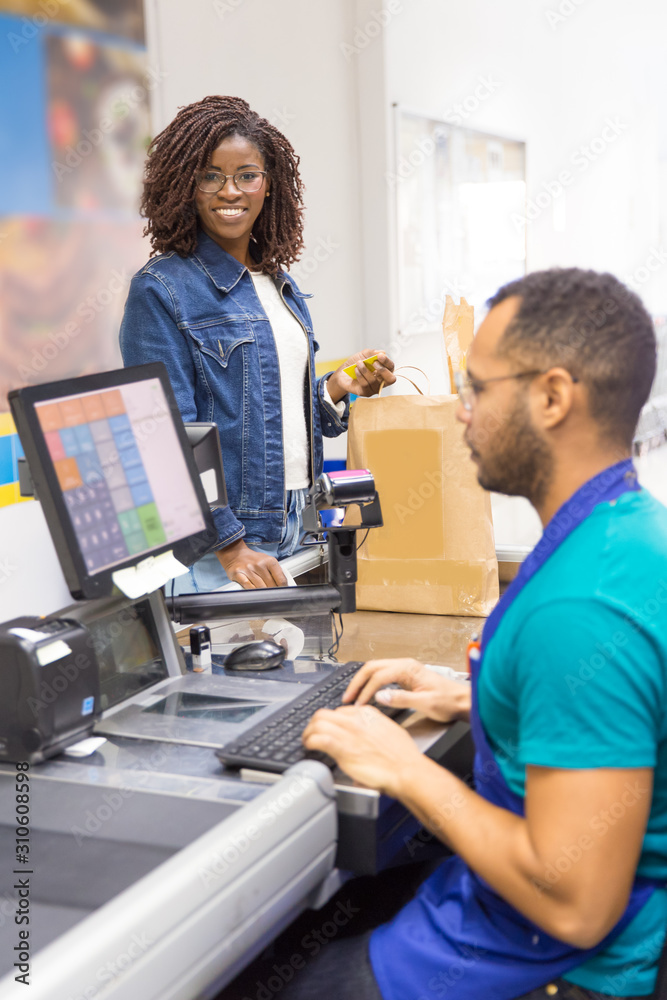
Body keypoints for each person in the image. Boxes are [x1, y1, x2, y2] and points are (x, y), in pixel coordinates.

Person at [284, 268, 667, 1000]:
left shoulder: (579, 607)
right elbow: (611, 709)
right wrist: (483, 696)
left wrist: (402, 764)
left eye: (478, 390)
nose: (460, 413)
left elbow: (575, 903)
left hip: (553, 963)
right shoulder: (624, 532)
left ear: (552, 397)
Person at [120, 95, 395, 591]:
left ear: (268, 186)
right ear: (186, 184)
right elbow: (163, 435)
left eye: (247, 174)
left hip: (298, 523)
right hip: (224, 547)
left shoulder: (277, 283)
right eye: (211, 175)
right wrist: (229, 545)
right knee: (226, 669)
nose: (231, 190)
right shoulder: (161, 289)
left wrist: (335, 388)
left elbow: (272, 415)